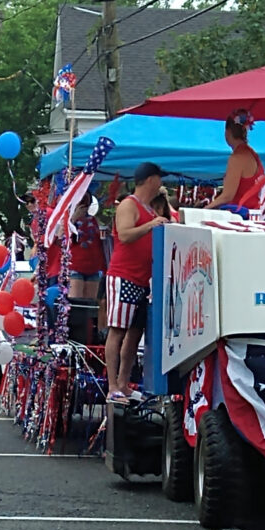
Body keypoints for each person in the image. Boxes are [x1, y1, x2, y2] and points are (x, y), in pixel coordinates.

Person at [105, 162, 167, 400]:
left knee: (134, 333)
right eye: (159, 179)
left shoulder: (149, 209)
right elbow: (124, 234)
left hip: (142, 280)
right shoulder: (129, 205)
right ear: (151, 180)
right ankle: (112, 385)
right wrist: (150, 225)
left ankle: (123, 383)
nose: (161, 184)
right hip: (124, 276)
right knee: (118, 331)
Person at [205, 111, 264, 209]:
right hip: (255, 210)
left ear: (227, 132)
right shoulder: (253, 155)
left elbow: (227, 196)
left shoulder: (237, 158)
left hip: (241, 212)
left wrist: (205, 209)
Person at [69, 194, 105, 300]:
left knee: (90, 303)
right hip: (75, 266)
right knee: (76, 301)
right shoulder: (68, 220)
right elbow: (61, 236)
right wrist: (74, 218)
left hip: (93, 267)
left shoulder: (93, 220)